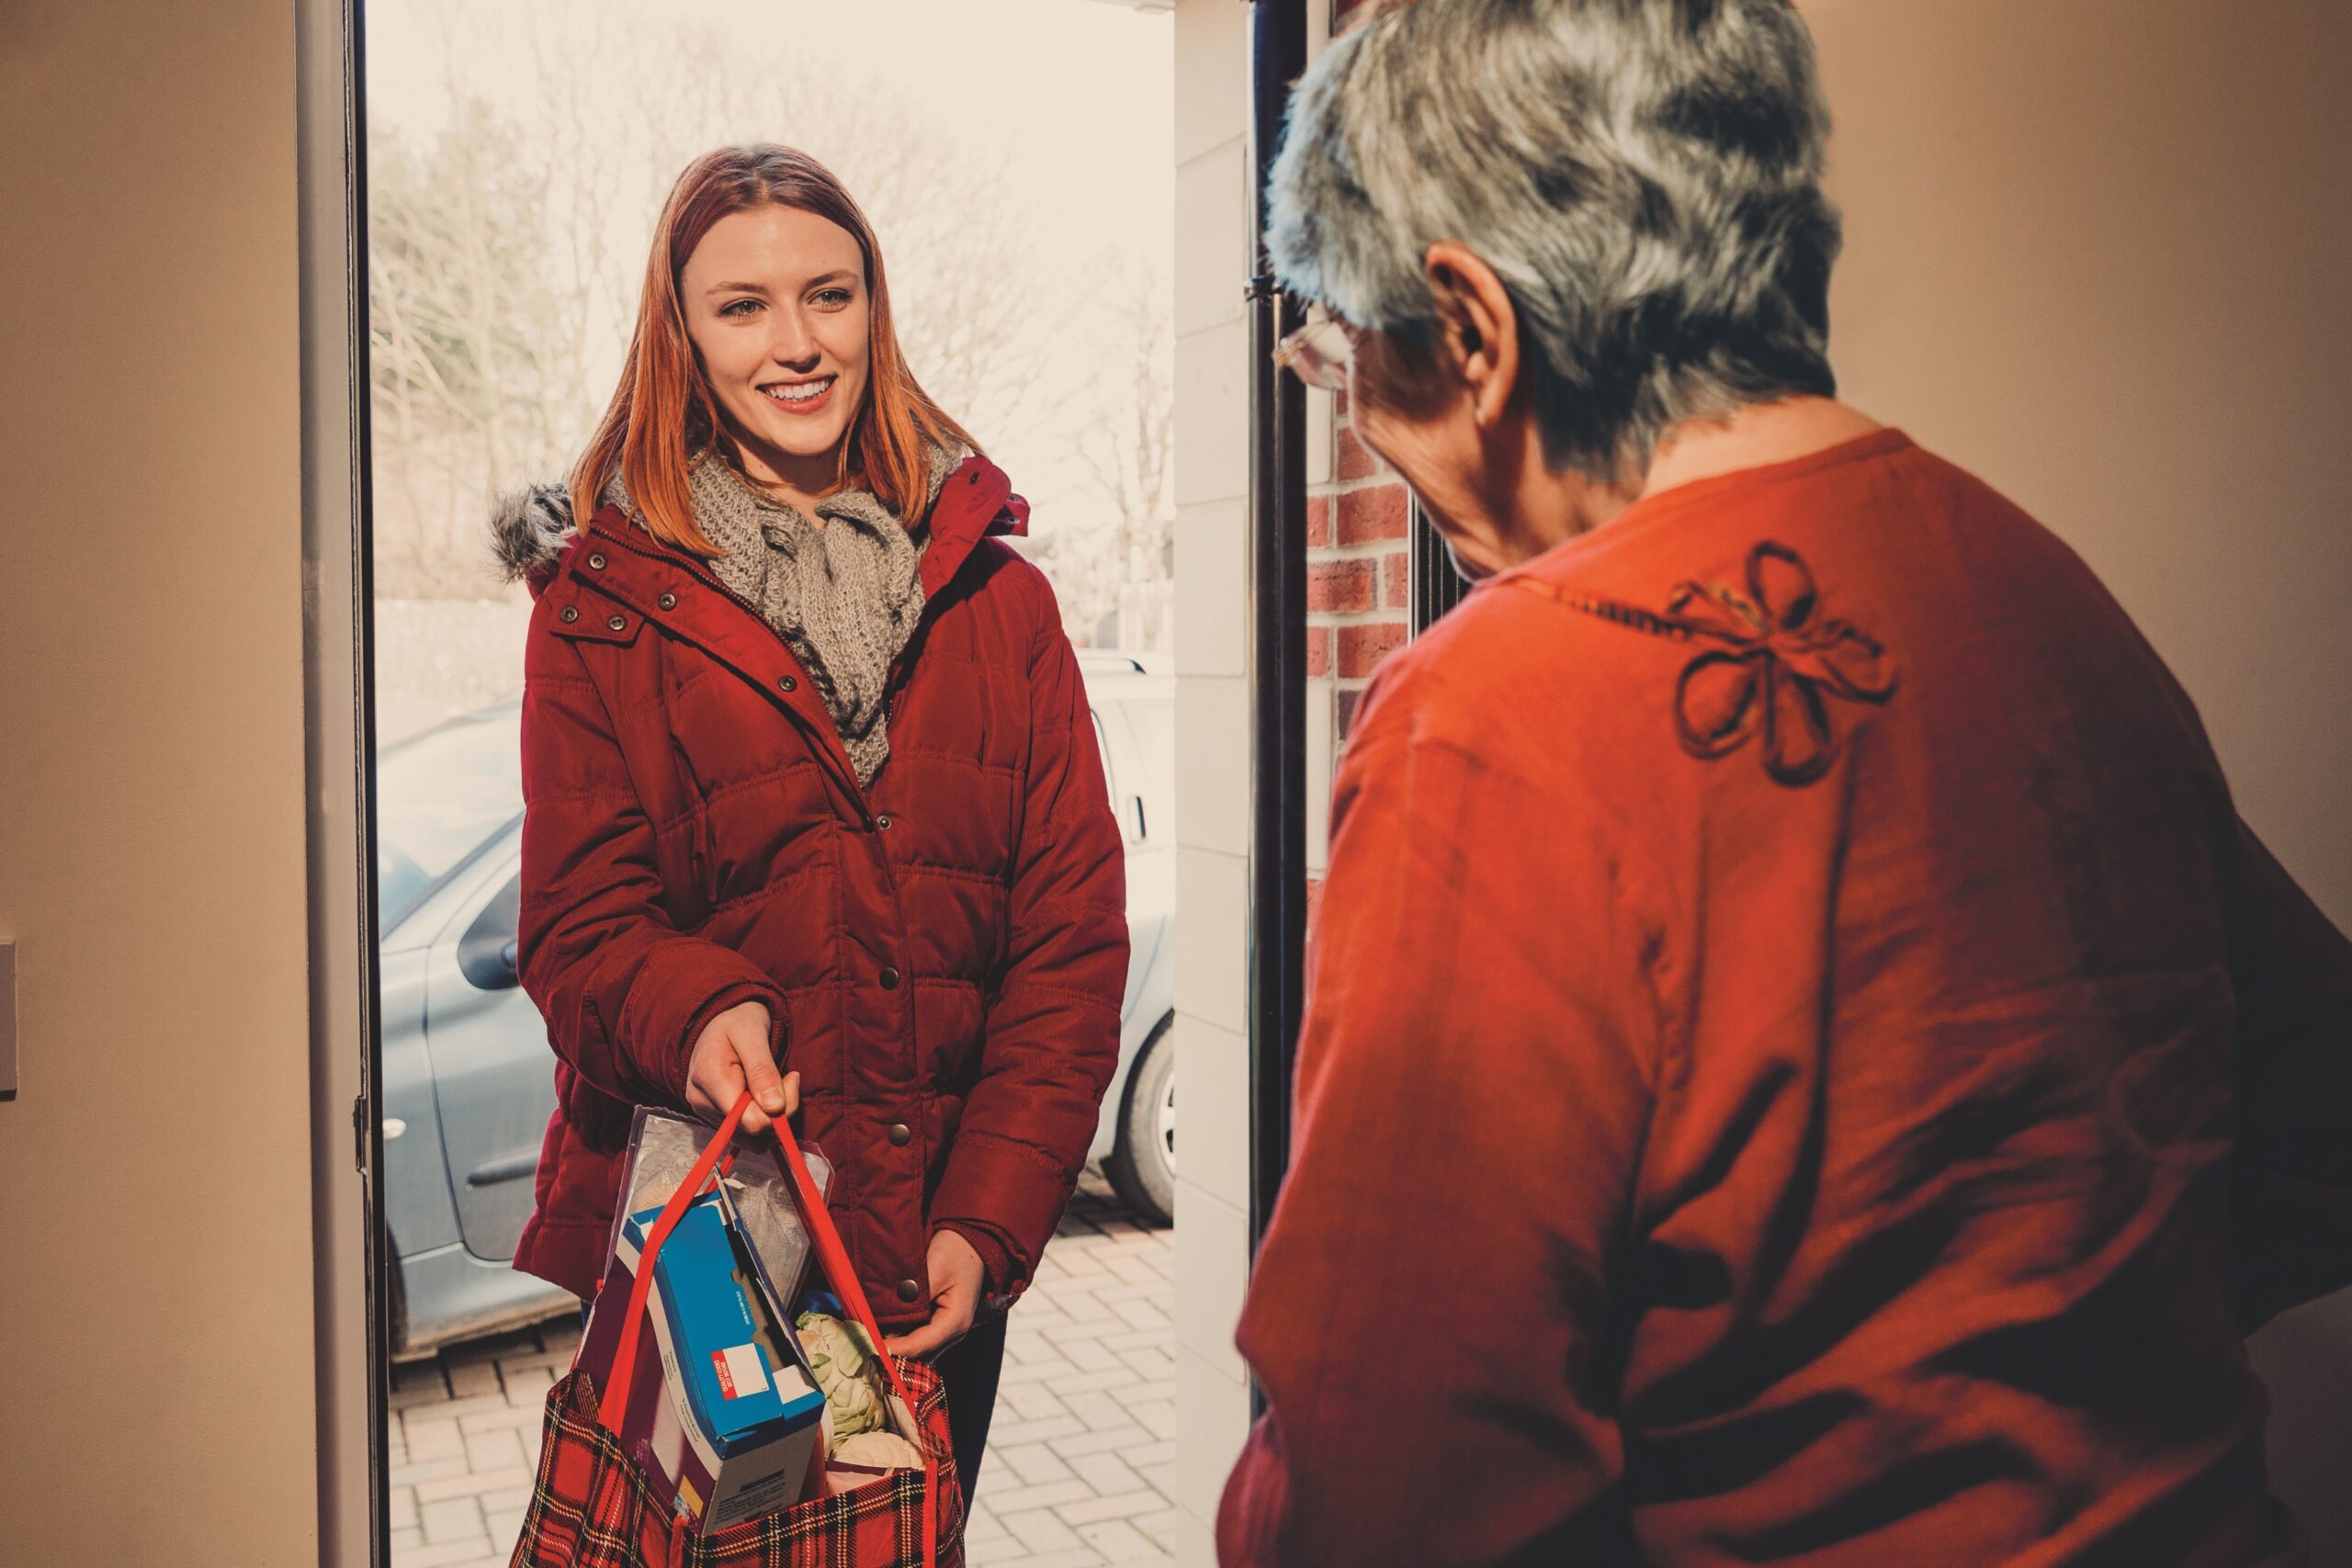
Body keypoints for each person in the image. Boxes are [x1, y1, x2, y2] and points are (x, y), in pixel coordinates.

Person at [1217, 3, 2352, 1564]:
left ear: (1475, 333)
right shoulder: (2040, 589)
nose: (1349, 398)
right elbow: (2313, 1121)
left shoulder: (1493, 709)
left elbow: (1391, 1489)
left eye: (1349, 343)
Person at [491, 143, 1128, 1497]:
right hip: (712, 1251)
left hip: (928, 1260)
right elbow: (578, 927)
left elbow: (1068, 941)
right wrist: (698, 1009)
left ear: (873, 311)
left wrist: (990, 1217)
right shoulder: (600, 604)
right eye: (743, 306)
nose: (796, 343)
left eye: (828, 296)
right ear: (683, 337)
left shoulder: (998, 604)